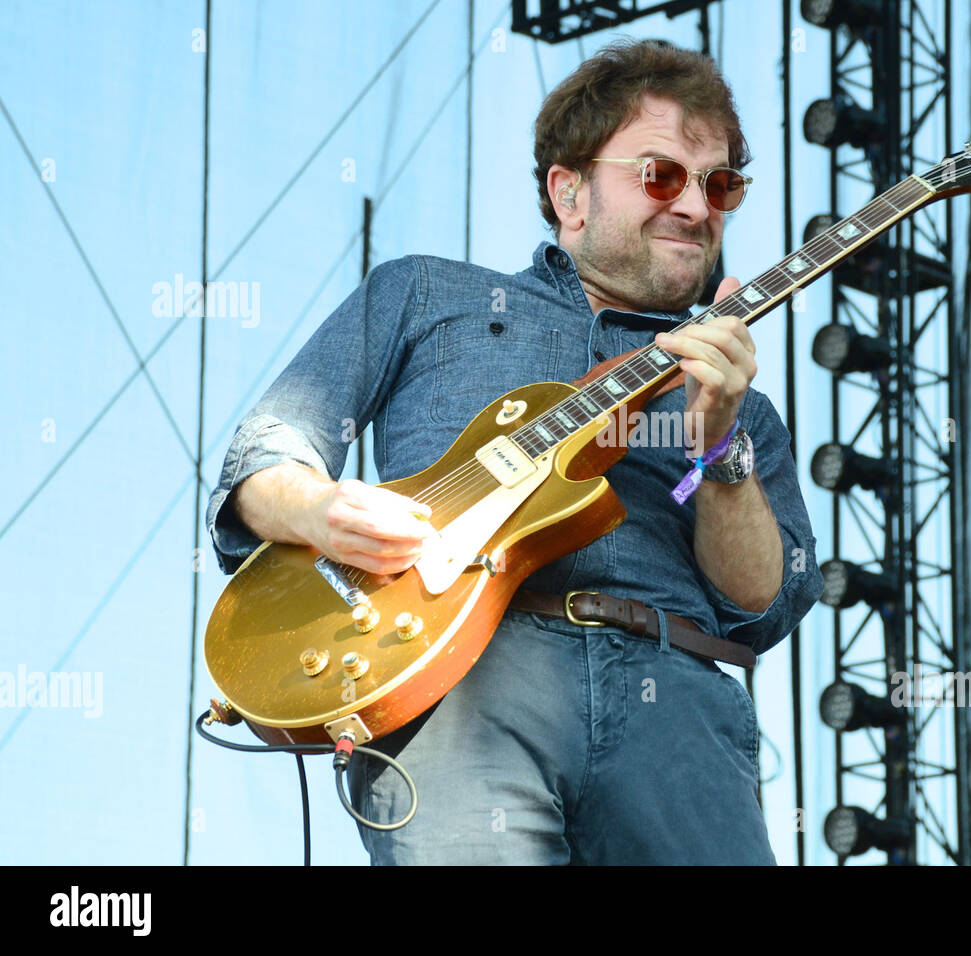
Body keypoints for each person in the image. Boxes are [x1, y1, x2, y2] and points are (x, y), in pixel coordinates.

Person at [206, 38, 823, 865]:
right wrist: (320, 509)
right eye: (660, 175)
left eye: (719, 186)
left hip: (674, 702)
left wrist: (720, 451)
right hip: (459, 677)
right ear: (569, 193)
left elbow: (761, 604)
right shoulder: (426, 294)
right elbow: (263, 455)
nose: (694, 206)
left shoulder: (741, 403)